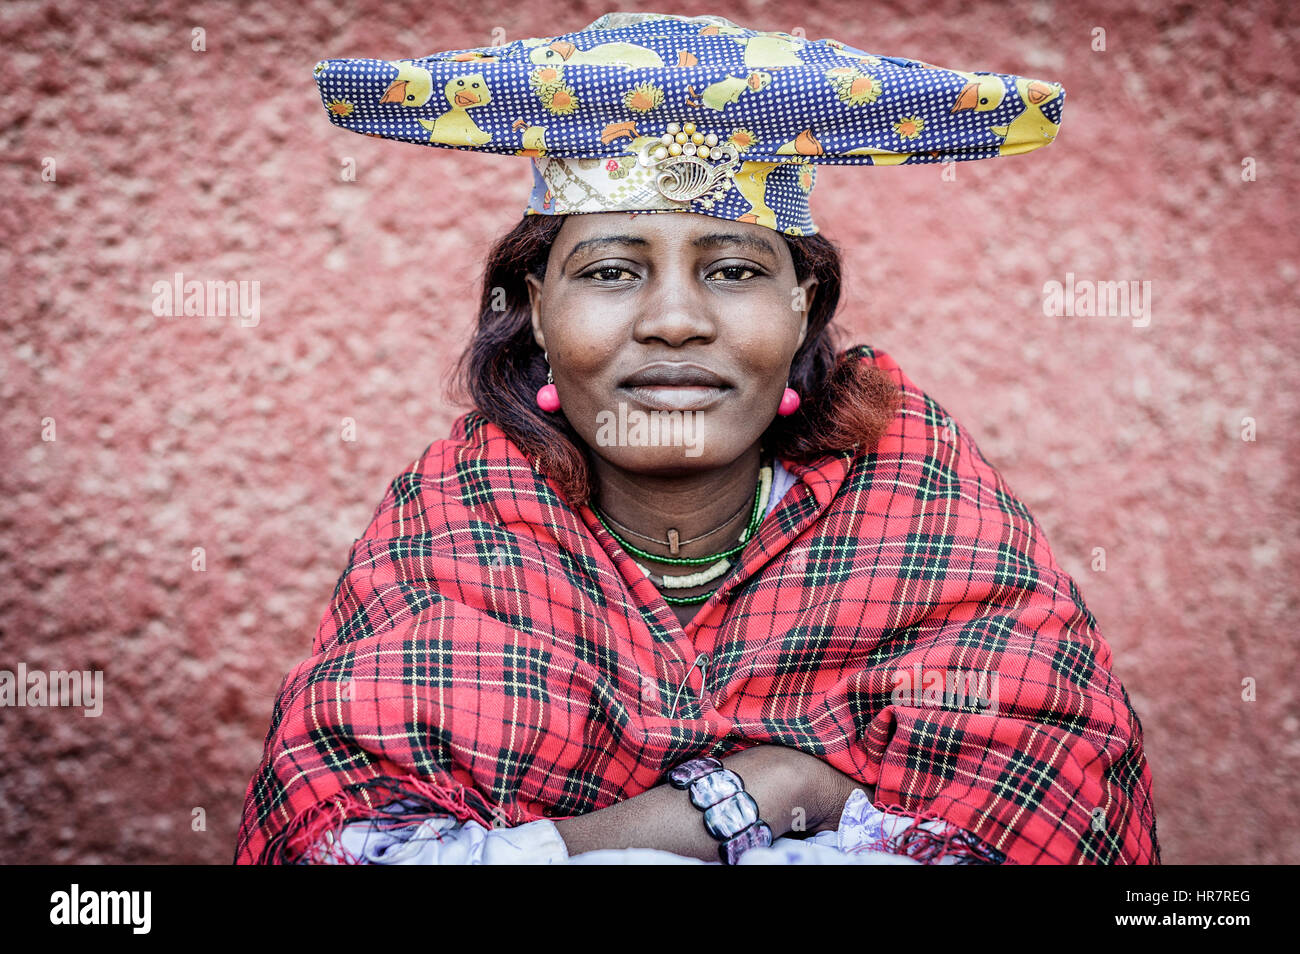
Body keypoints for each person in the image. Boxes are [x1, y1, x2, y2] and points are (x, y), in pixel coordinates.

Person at [235, 11, 1158, 865]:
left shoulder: (936, 531)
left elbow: (1045, 824)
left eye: (731, 268)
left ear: (804, 312)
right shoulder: (453, 535)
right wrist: (767, 794)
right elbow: (339, 840)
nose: (675, 319)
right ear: (535, 315)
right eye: (608, 270)